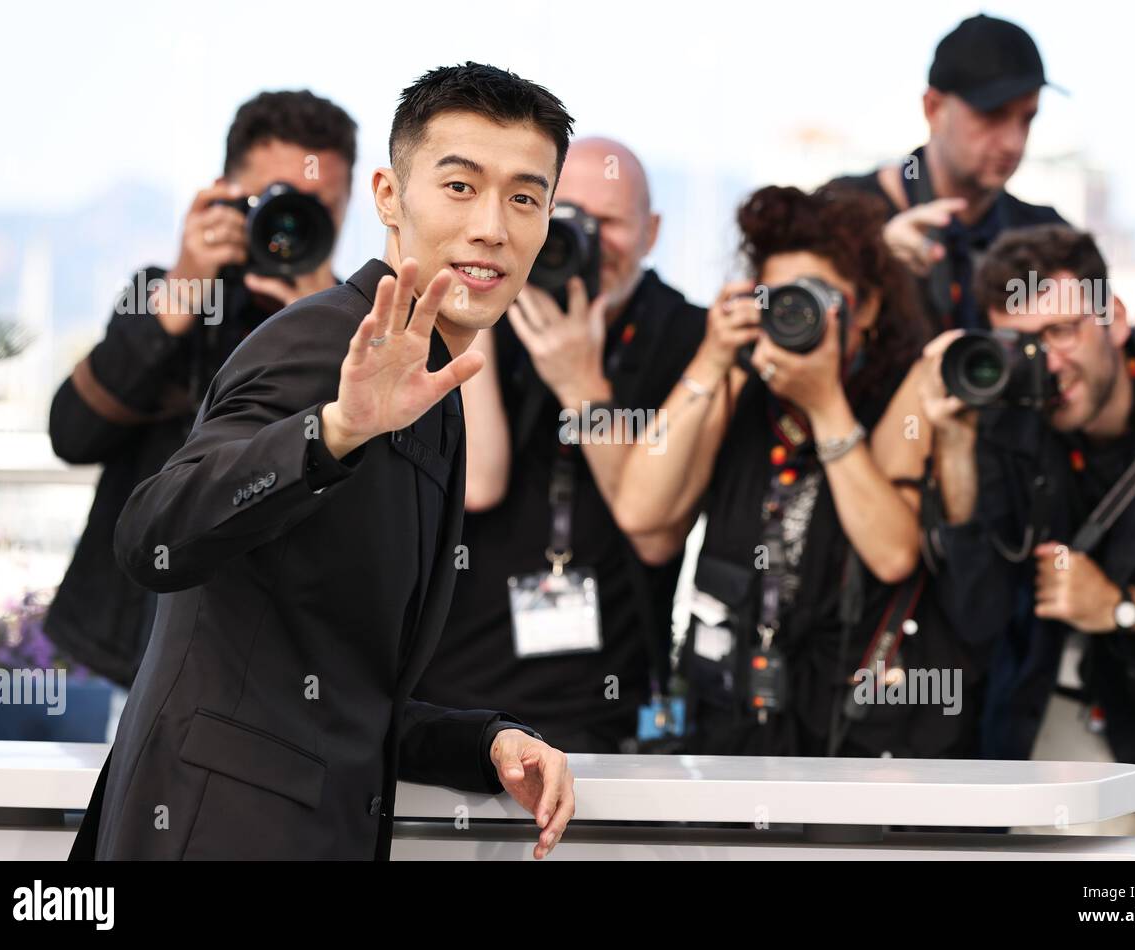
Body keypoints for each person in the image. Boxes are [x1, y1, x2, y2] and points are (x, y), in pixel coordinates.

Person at [70, 63, 577, 861]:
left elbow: (342, 688)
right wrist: (332, 431)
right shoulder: (322, 342)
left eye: (524, 196)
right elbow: (152, 535)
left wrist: (486, 742)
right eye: (459, 186)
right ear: (387, 196)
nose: (493, 227)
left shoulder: (429, 384)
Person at [920, 224, 1135, 858]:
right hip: (1067, 714)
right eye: (1021, 342)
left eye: (1061, 332)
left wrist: (1124, 607)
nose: (1044, 364)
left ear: (1117, 319)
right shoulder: (1002, 414)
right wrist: (957, 447)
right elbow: (975, 616)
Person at [613, 185, 979, 758]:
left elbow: (891, 552)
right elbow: (639, 511)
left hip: (844, 729)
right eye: (781, 298)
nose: (798, 315)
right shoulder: (738, 383)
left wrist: (826, 405)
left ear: (870, 306)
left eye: (821, 297)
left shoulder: (899, 390)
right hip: (728, 717)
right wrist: (712, 358)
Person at [47, 90, 358, 687]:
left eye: (319, 206)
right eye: (278, 202)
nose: (293, 224)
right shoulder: (172, 296)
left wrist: (315, 321)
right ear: (224, 196)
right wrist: (182, 293)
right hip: (133, 643)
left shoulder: (356, 326)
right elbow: (72, 434)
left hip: (274, 659)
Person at [414, 137, 706, 752]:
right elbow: (480, 480)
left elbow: (655, 531)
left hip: (605, 707)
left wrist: (582, 385)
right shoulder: (484, 312)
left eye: (609, 222)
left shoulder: (688, 336)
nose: (586, 239)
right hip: (458, 691)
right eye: (564, 216)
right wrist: (480, 305)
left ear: (651, 232)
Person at [829, 14, 1135, 338]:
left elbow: (1116, 375)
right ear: (933, 108)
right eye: (991, 116)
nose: (1012, 141)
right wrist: (871, 262)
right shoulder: (838, 214)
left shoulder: (1047, 236)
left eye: (1027, 118)